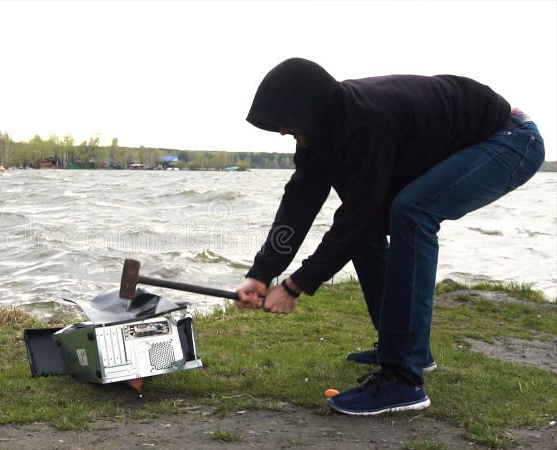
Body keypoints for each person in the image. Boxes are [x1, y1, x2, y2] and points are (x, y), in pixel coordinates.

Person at [234, 58, 545, 416]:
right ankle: (405, 347)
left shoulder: (367, 121)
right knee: (370, 229)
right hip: (476, 138)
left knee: (411, 212)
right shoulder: (319, 133)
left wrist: (294, 286)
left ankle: (403, 377)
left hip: (511, 139)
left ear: (309, 111)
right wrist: (262, 273)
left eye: (288, 125)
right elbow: (298, 204)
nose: (285, 133)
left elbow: (357, 215)